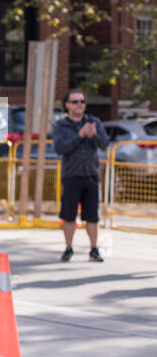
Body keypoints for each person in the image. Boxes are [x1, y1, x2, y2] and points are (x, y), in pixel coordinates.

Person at [52, 89, 111, 262]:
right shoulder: (62, 126)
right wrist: (79, 136)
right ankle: (68, 248)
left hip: (91, 174)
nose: (79, 105)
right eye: (75, 101)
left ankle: (94, 249)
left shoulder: (94, 122)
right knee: (69, 215)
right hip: (72, 175)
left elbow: (104, 143)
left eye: (82, 101)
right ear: (67, 105)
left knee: (92, 216)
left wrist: (93, 136)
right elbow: (60, 148)